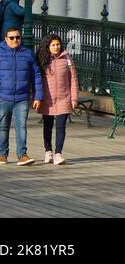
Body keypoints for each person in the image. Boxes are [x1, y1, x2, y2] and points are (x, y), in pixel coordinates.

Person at [0, 25, 44, 165]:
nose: (15, 40)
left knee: (22, 127)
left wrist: (38, 96)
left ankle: (22, 155)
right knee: (3, 126)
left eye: (18, 37)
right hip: (2, 98)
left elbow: (36, 75)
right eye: (12, 38)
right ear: (6, 39)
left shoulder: (28, 54)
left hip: (22, 98)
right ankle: (2, 154)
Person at [36, 33, 78, 165]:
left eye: (58, 44)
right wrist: (37, 97)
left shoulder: (67, 59)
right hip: (47, 99)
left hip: (63, 98)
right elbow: (36, 79)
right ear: (48, 46)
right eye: (53, 45)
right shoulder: (42, 59)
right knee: (47, 126)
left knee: (61, 127)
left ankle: (58, 153)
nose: (56, 47)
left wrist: (74, 99)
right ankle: (48, 151)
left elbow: (73, 79)